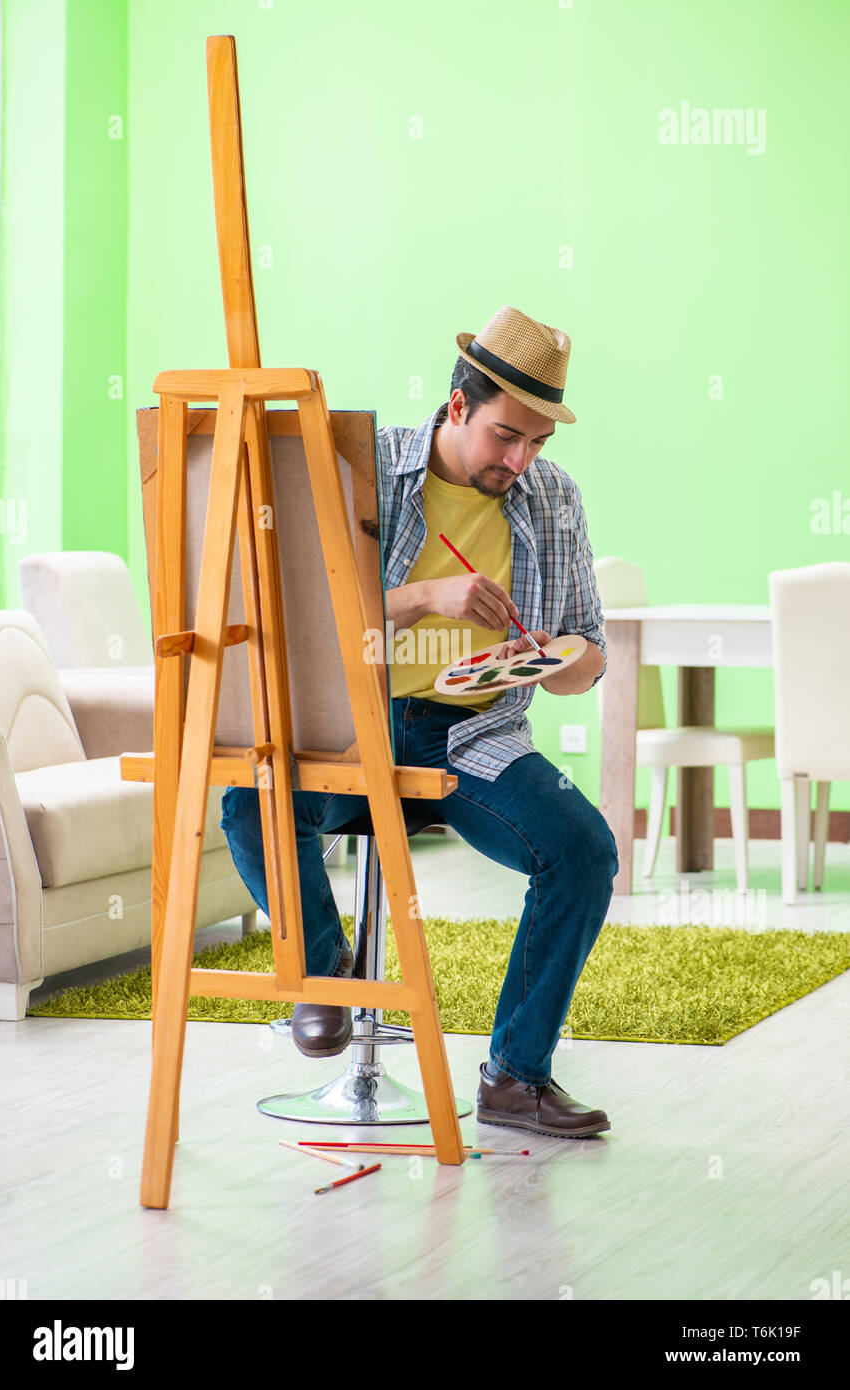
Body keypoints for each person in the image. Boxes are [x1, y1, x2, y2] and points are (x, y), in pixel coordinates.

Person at [220, 305, 619, 1139]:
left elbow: (591, 650)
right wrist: (421, 599)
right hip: (352, 725)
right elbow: (296, 613)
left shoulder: (552, 499)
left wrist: (560, 656)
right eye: (506, 436)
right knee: (247, 799)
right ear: (456, 407)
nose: (520, 460)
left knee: (581, 850)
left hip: (473, 735)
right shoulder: (358, 469)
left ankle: (515, 1076)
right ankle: (325, 975)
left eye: (537, 444)